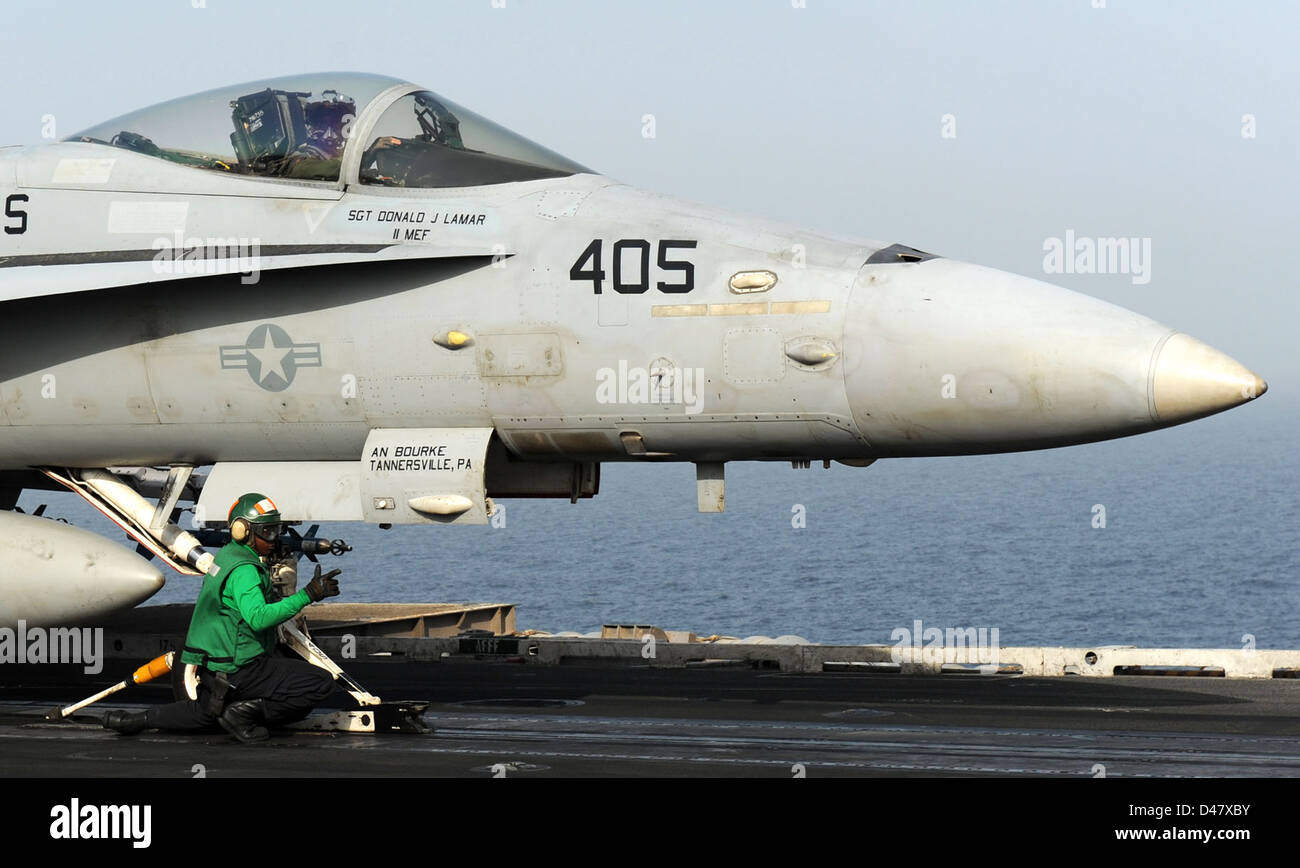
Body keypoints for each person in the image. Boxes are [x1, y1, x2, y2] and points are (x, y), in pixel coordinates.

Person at [103, 493, 341, 743]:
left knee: (204, 714)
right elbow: (258, 618)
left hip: (214, 670)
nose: (274, 538)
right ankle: (242, 713)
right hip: (242, 669)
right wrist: (309, 594)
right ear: (243, 531)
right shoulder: (245, 570)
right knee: (319, 682)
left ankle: (131, 721)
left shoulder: (227, 556)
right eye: (267, 532)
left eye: (276, 530)